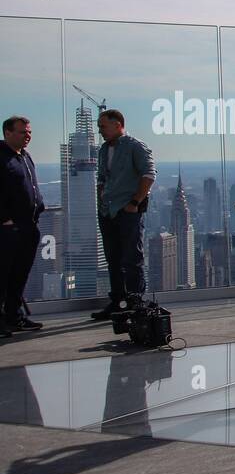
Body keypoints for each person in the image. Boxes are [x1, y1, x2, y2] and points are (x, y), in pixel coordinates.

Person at [91, 109, 156, 321]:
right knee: (113, 258)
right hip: (107, 212)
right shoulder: (103, 150)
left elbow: (149, 174)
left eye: (103, 126)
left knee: (132, 257)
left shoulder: (135, 147)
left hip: (127, 211)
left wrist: (134, 203)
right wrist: (102, 195)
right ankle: (117, 301)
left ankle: (135, 301)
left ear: (118, 124)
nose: (100, 131)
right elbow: (102, 177)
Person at [0, 116, 45, 338]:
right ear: (7, 132)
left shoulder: (25, 157)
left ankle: (13, 317)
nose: (27, 136)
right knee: (3, 275)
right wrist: (4, 219)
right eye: (22, 132)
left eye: (29, 132)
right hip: (8, 230)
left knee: (20, 275)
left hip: (29, 227)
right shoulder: (1, 157)